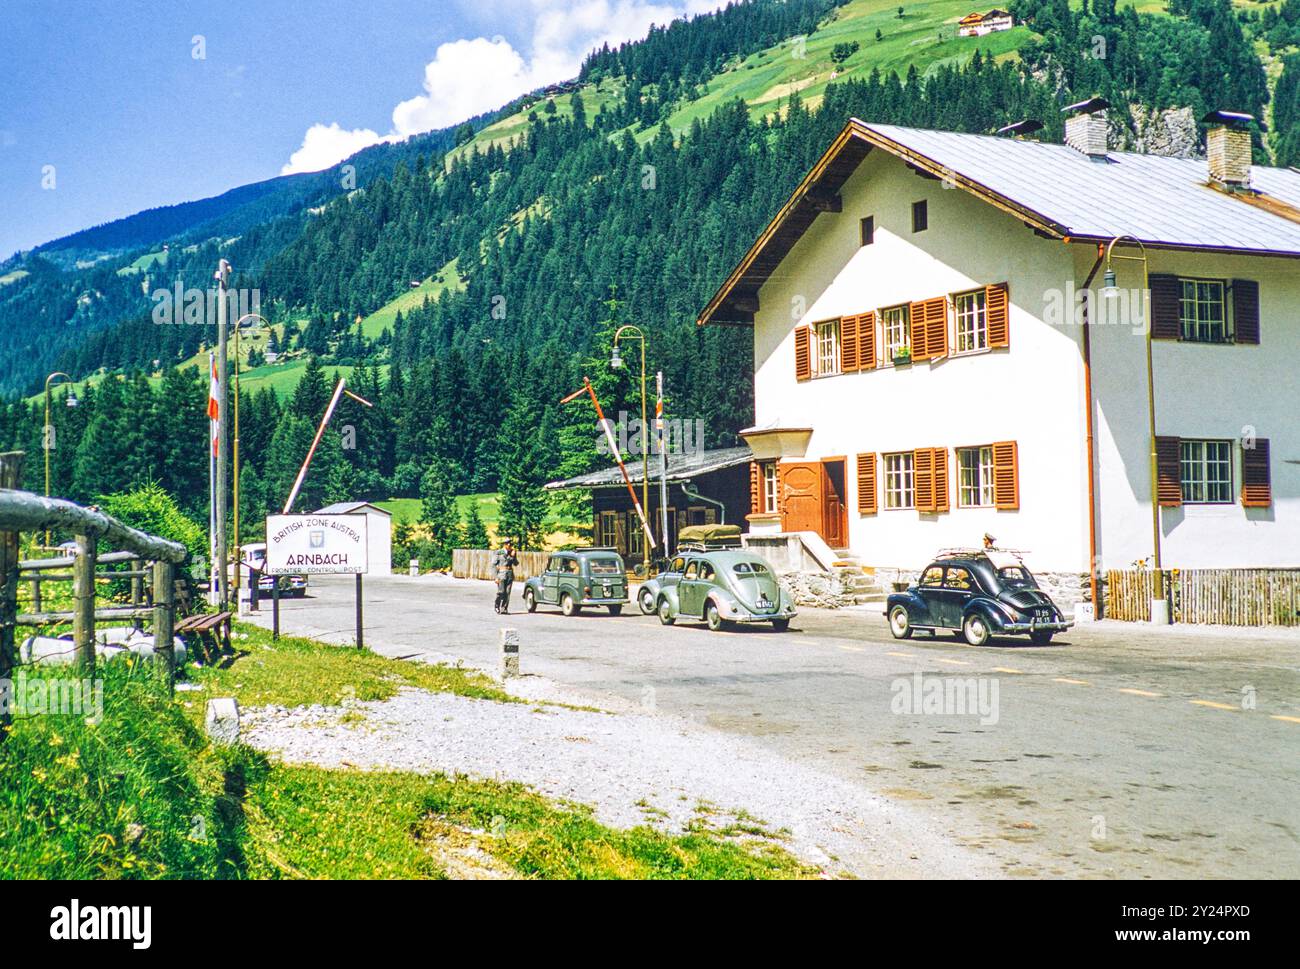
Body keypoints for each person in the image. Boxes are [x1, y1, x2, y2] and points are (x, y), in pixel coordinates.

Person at [492, 539, 519, 614]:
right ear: (504, 544)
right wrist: (495, 577)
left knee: (507, 592)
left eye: (510, 544)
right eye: (508, 544)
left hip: (509, 573)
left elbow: (516, 564)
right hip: (501, 574)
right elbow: (494, 565)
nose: (509, 545)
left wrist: (513, 556)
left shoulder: (512, 552)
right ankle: (497, 605)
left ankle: (504, 608)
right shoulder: (499, 552)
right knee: (501, 591)